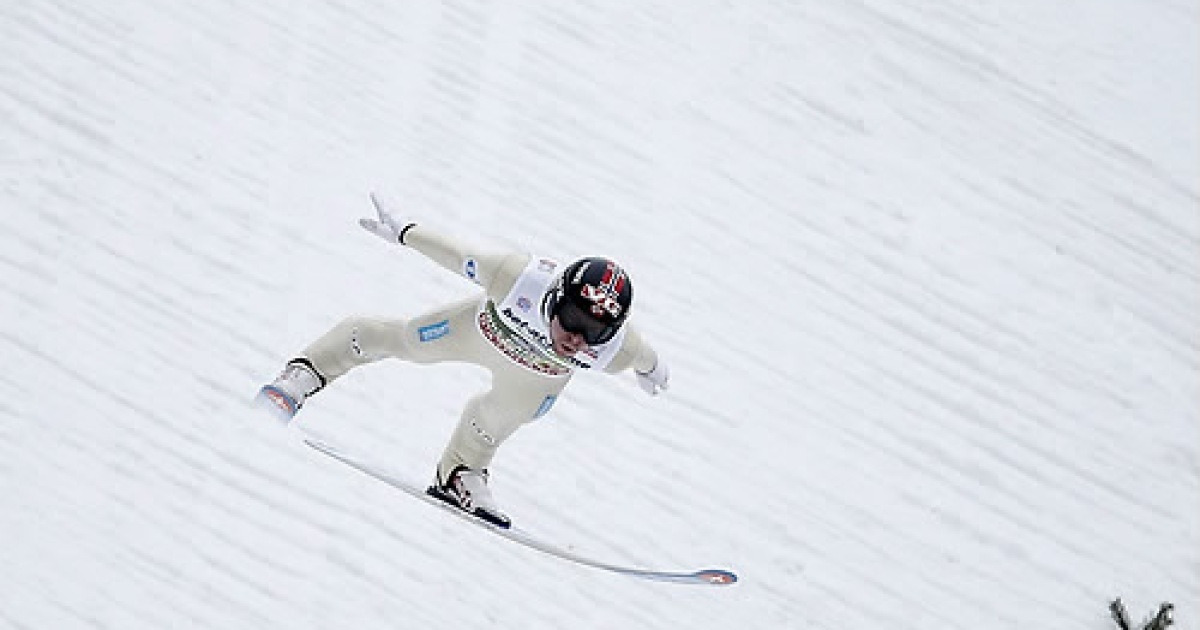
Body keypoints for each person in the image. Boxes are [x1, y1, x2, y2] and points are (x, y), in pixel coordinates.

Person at [257, 193, 670, 528]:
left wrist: (652, 369)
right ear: (555, 297)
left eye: (594, 333)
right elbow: (458, 255)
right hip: (475, 333)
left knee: (505, 417)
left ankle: (459, 474)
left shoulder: (617, 350)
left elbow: (644, 356)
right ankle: (303, 376)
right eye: (572, 319)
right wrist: (406, 232)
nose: (577, 338)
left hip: (531, 381)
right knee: (403, 341)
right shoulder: (518, 277)